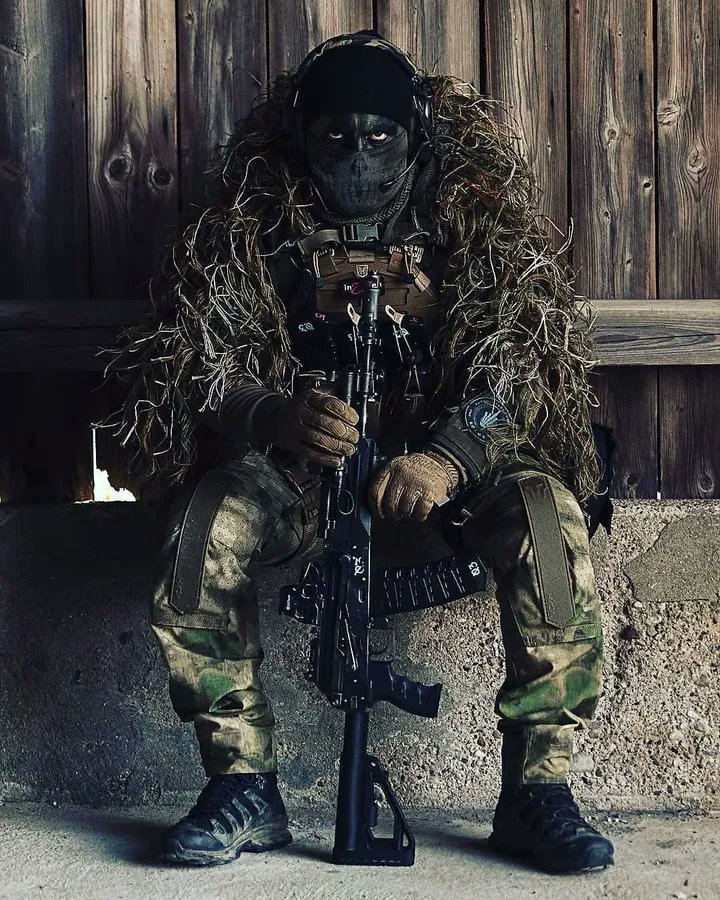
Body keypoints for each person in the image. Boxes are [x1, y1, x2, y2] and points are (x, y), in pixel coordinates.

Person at [105, 30, 616, 874]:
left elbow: (523, 366)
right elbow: (198, 363)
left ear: (415, 134)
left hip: (454, 476)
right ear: (302, 136)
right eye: (335, 135)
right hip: (305, 477)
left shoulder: (475, 219)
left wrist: (449, 456)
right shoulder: (252, 226)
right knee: (204, 524)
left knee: (549, 522)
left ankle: (539, 791)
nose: (358, 155)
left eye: (381, 135)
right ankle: (242, 785)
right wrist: (273, 413)